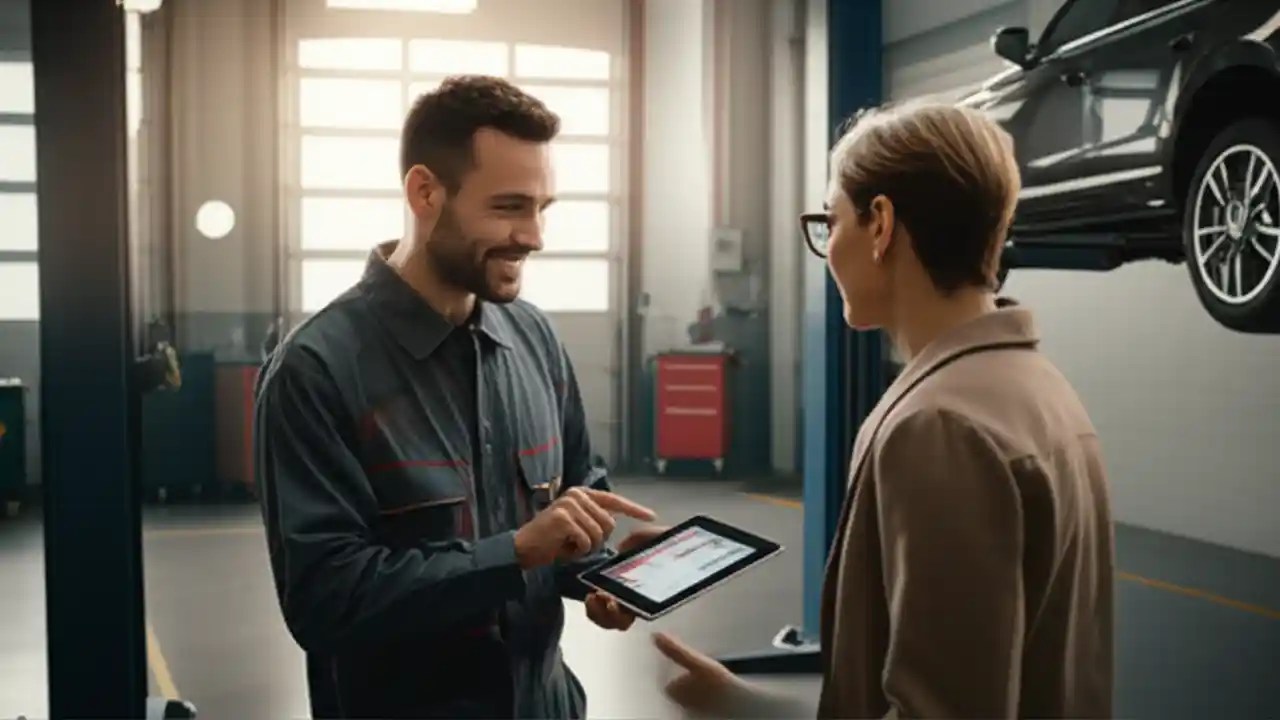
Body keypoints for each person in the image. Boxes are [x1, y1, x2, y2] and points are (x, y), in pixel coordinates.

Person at [628, 102, 1115, 718]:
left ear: (880, 223)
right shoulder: (1037, 386)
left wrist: (745, 708)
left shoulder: (938, 425)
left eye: (830, 221)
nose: (828, 248)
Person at [253, 75, 654, 719]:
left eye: (542, 208)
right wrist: (517, 551)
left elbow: (576, 501)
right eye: (509, 207)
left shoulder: (534, 339)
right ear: (424, 192)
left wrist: (603, 574)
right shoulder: (315, 371)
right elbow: (328, 601)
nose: (534, 235)